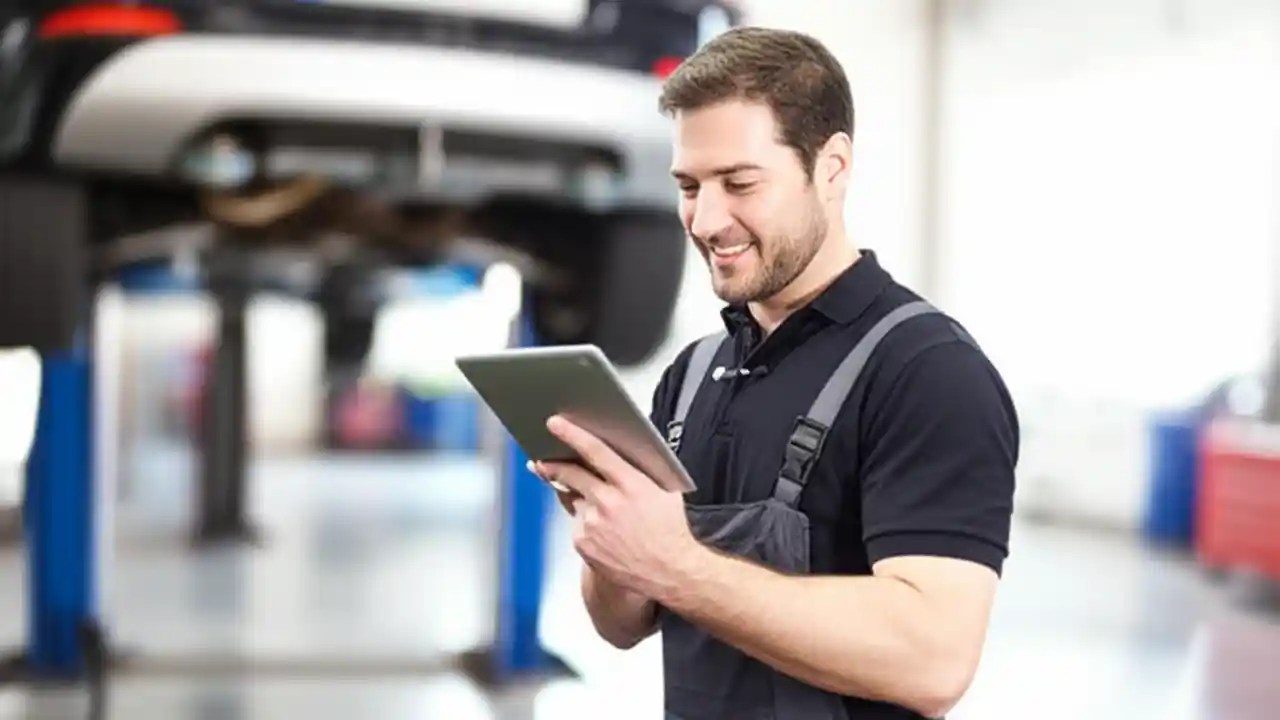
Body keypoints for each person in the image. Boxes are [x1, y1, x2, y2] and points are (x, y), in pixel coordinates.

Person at [529, 25, 1018, 720]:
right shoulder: (691, 376)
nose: (706, 221)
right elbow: (622, 624)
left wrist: (679, 564)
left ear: (832, 168)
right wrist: (610, 528)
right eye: (689, 186)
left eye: (740, 183)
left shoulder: (928, 373)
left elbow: (933, 661)